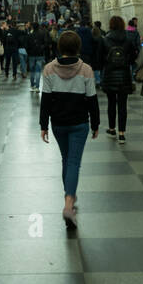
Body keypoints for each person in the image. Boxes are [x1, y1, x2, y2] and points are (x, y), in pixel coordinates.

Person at [40, 29, 100, 230]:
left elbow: (45, 100)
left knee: (66, 160)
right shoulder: (86, 70)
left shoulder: (48, 69)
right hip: (79, 123)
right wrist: (96, 123)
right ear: (78, 47)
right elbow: (92, 100)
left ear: (59, 47)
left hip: (58, 123)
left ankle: (70, 198)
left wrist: (43, 125)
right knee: (74, 162)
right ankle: (68, 204)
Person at [102, 15, 137, 141]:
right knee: (123, 105)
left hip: (110, 75)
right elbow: (133, 57)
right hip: (124, 76)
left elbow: (101, 58)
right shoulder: (128, 39)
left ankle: (112, 128)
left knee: (111, 103)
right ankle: (122, 132)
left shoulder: (105, 39)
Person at [26, 21, 49, 91]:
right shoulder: (42, 34)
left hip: (31, 55)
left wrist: (28, 52)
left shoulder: (30, 35)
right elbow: (45, 43)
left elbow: (27, 45)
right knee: (38, 71)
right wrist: (42, 48)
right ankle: (37, 87)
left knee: (32, 71)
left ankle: (32, 85)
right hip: (40, 54)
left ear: (32, 27)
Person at [91, 21, 105, 88]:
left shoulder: (91, 39)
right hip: (101, 55)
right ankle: (101, 81)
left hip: (94, 56)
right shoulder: (101, 39)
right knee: (101, 68)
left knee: (95, 69)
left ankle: (97, 81)